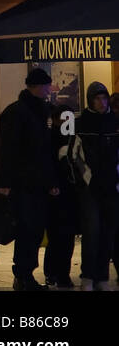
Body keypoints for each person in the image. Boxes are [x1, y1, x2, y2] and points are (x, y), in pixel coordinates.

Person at [0, 67, 59, 291]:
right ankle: (23, 274)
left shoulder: (41, 111)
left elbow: (45, 151)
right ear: (37, 86)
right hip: (24, 182)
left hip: (38, 182)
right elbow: (9, 150)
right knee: (27, 228)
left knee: (34, 229)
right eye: (46, 85)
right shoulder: (20, 113)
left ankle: (25, 274)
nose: (49, 89)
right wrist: (5, 182)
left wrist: (51, 182)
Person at [72, 82, 119, 290]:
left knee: (108, 232)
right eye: (97, 98)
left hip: (112, 186)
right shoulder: (81, 124)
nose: (102, 102)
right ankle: (88, 276)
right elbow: (74, 155)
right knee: (92, 232)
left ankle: (101, 276)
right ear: (91, 100)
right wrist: (87, 178)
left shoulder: (114, 122)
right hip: (90, 187)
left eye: (104, 98)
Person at [43, 103, 78, 288]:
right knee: (58, 235)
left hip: (67, 192)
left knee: (64, 236)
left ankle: (59, 273)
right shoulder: (53, 138)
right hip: (58, 192)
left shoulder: (70, 137)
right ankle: (55, 273)